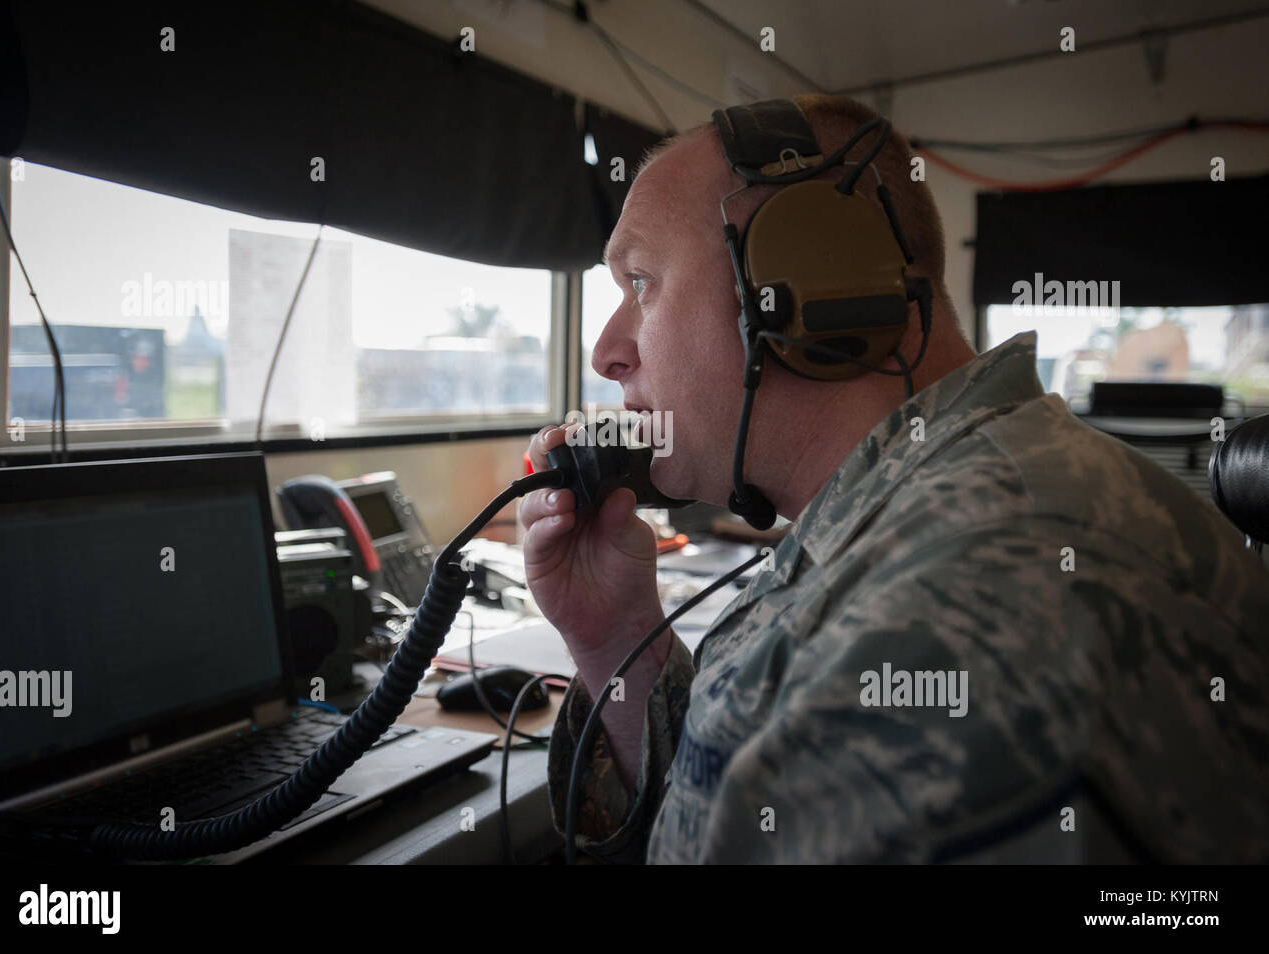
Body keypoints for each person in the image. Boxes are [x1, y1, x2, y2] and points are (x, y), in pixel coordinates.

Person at [518, 93, 1269, 863]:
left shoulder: (963, 606)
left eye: (640, 282)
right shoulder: (919, 521)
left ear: (812, 277)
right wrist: (614, 640)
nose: (605, 351)